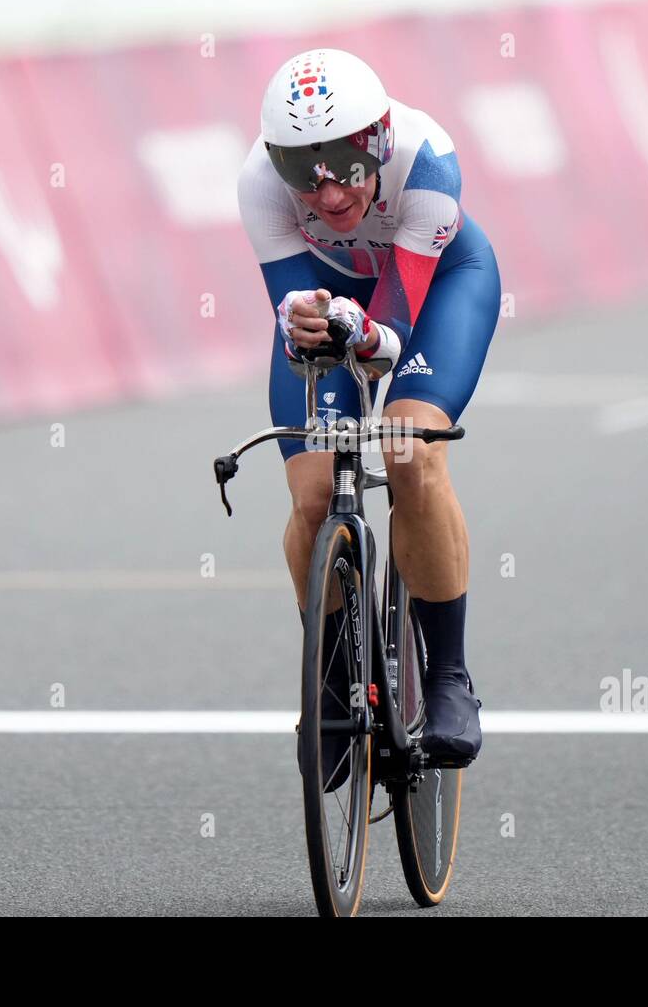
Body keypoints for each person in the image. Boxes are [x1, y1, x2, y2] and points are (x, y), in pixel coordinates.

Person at [237, 48, 500, 779]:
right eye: (302, 170)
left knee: (409, 451)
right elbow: (293, 311)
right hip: (331, 300)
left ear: (379, 142)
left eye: (345, 167)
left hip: (438, 288)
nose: (325, 194)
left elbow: (393, 337)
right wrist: (308, 324)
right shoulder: (258, 182)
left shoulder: (430, 164)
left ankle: (448, 677)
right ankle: (328, 683)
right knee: (315, 493)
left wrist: (363, 332)